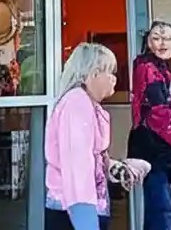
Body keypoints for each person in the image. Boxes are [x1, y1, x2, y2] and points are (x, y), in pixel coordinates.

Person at [45, 42, 149, 230]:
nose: (114, 79)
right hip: (74, 214)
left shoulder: (85, 104)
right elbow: (78, 167)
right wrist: (87, 223)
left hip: (78, 212)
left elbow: (93, 158)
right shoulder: (77, 103)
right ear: (93, 74)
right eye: (110, 72)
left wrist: (119, 168)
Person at [129, 21, 171, 230]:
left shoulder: (163, 69)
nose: (162, 43)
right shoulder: (147, 68)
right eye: (156, 38)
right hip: (153, 147)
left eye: (167, 38)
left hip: (161, 146)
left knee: (162, 206)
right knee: (162, 210)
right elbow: (158, 112)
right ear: (148, 41)